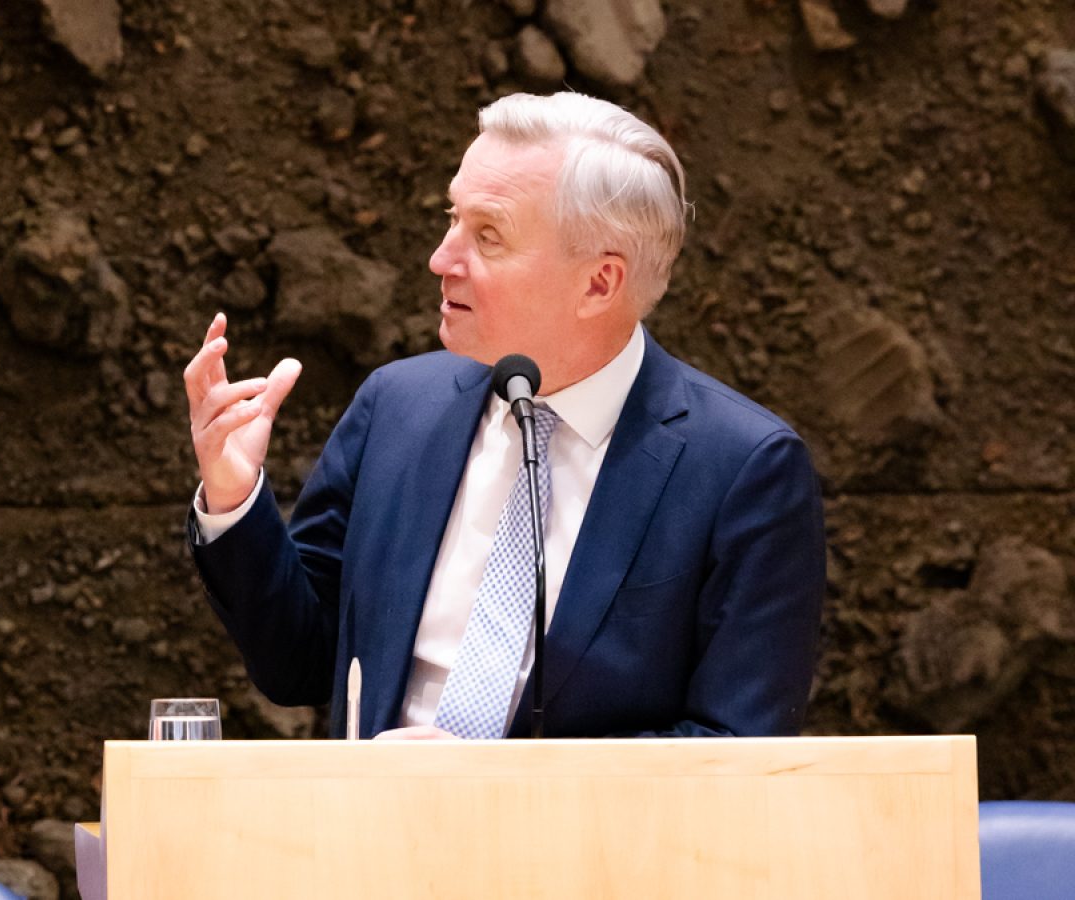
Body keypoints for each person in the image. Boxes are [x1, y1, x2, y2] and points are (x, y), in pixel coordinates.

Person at [181, 92, 825, 740]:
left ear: (599, 283)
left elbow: (734, 753)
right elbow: (304, 664)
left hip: (583, 843)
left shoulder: (742, 469)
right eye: (451, 218)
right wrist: (235, 499)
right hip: (373, 833)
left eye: (487, 236)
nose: (441, 259)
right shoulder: (397, 406)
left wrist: (496, 791)